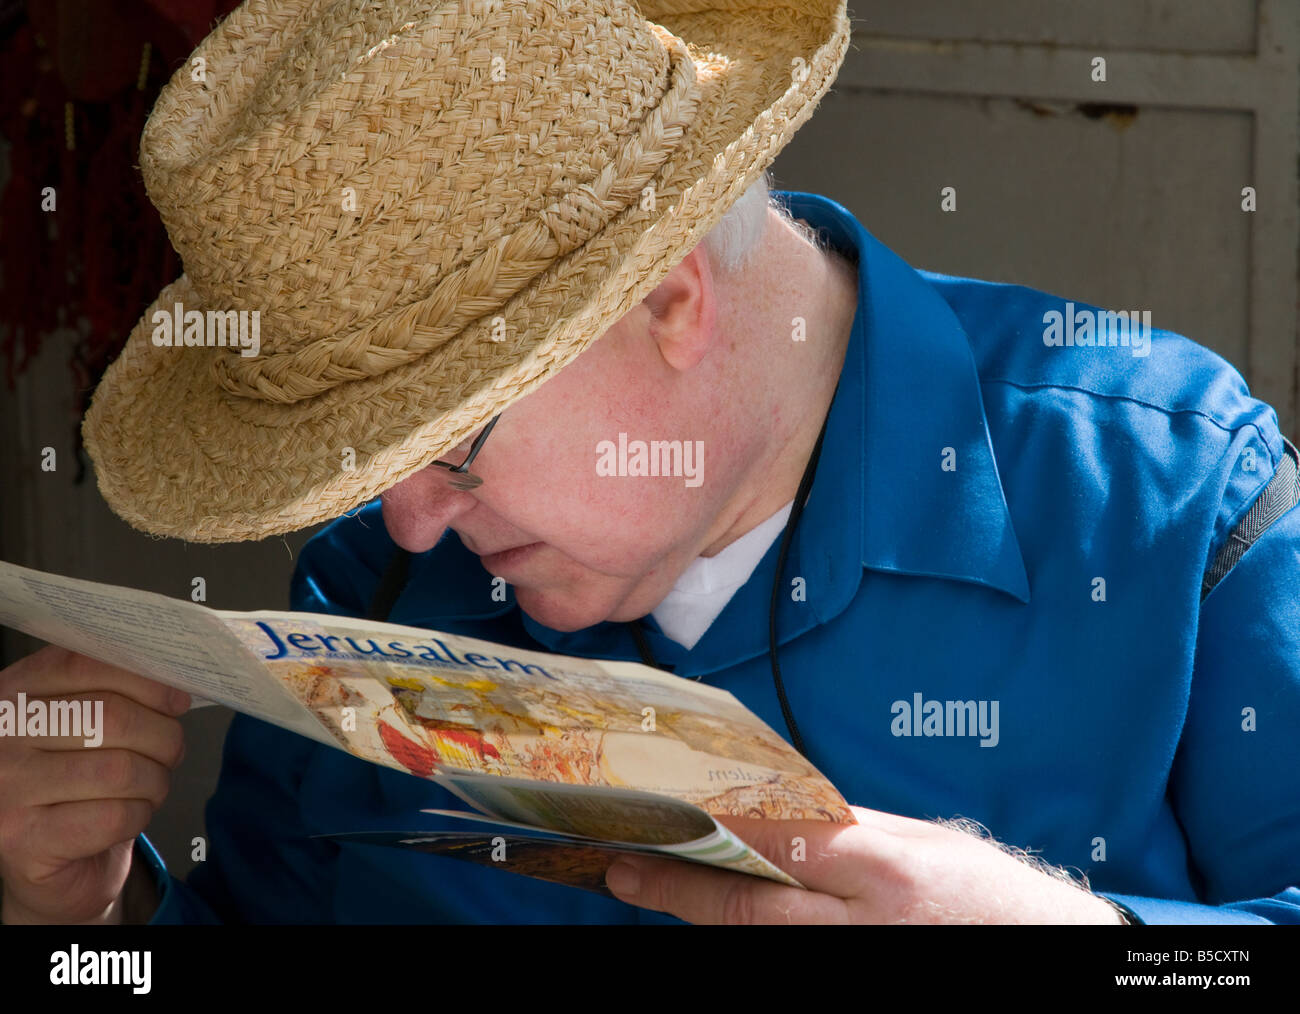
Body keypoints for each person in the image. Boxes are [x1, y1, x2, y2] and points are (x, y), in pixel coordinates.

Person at [3, 0, 1298, 925]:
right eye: (366, 458)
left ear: (669, 303)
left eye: (455, 444)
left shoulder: (1176, 501)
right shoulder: (377, 576)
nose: (400, 521)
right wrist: (75, 915)